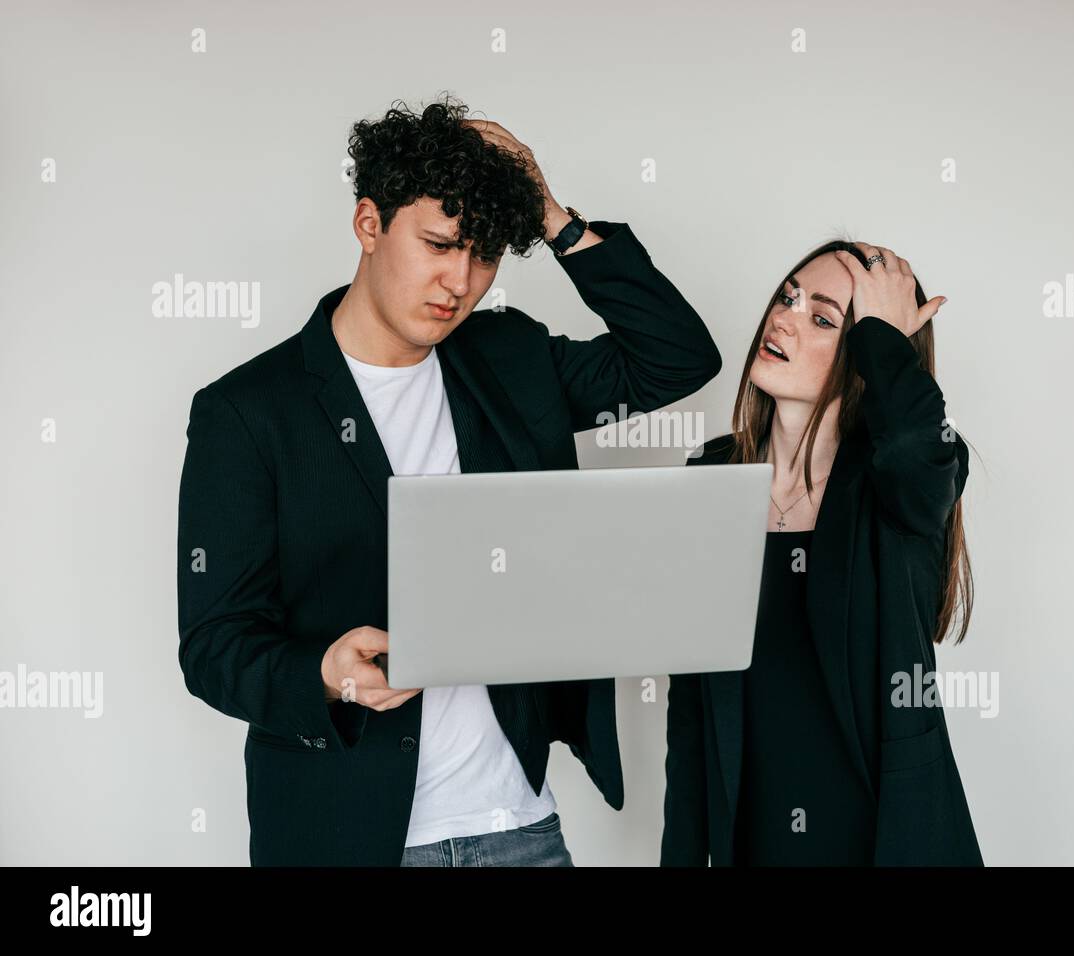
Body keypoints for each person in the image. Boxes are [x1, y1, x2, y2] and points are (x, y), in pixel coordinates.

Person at [176, 95, 722, 866]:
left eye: (485, 254)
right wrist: (324, 676)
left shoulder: (511, 358)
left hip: (518, 830)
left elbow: (677, 357)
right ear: (369, 224)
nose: (460, 281)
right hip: (346, 837)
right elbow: (213, 646)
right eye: (439, 244)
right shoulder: (247, 412)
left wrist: (554, 217)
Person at [660, 240, 982, 866]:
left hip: (881, 840)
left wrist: (887, 341)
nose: (783, 319)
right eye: (788, 298)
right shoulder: (711, 475)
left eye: (824, 318)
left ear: (867, 354)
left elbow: (919, 448)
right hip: (750, 841)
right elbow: (691, 713)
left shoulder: (896, 484)